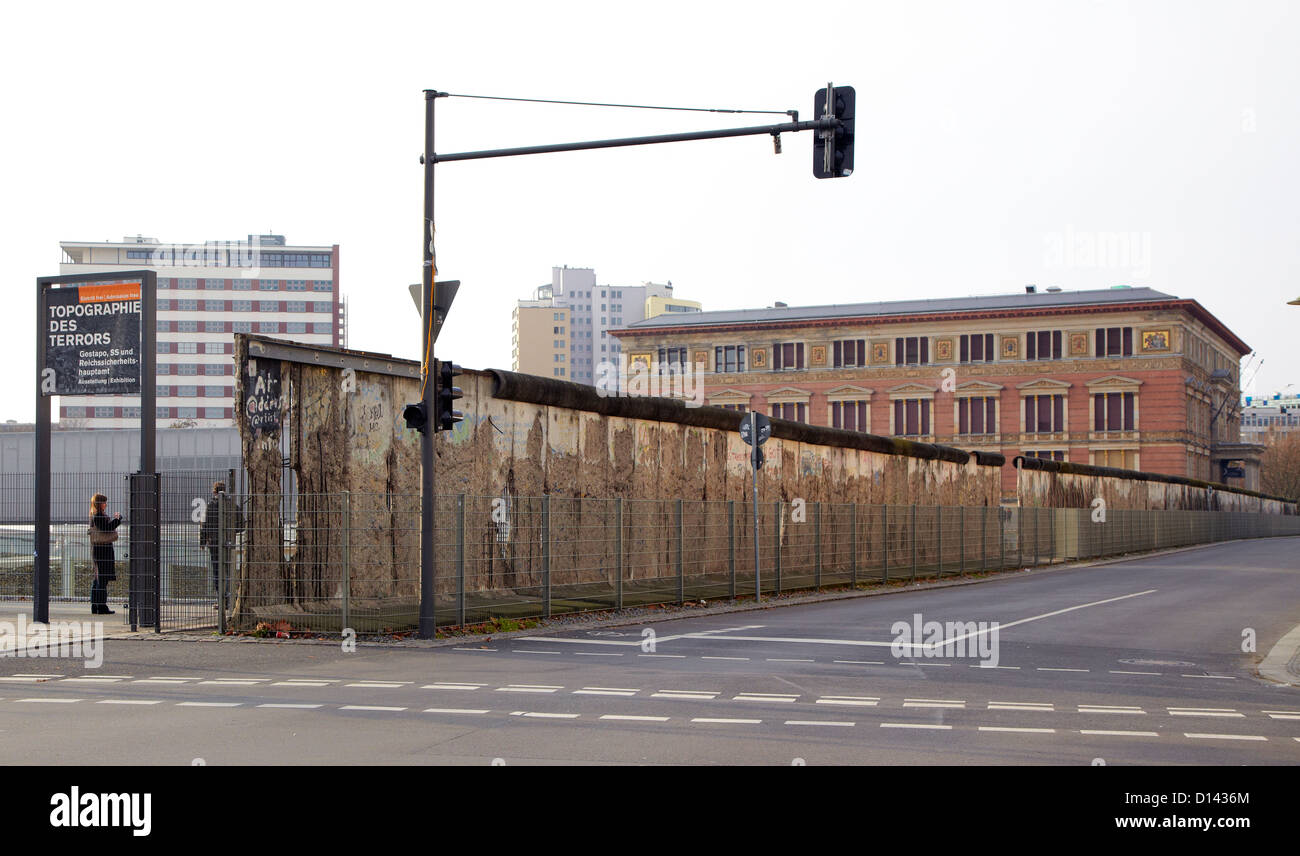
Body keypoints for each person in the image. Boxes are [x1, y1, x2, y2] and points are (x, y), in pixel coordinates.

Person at [88, 493, 121, 615]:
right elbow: (107, 528)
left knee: (98, 579)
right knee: (102, 579)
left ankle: (95, 606)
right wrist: (117, 520)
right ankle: (101, 606)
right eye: (104, 502)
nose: (106, 505)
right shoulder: (98, 516)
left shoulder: (94, 515)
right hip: (103, 550)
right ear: (100, 503)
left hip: (98, 549)